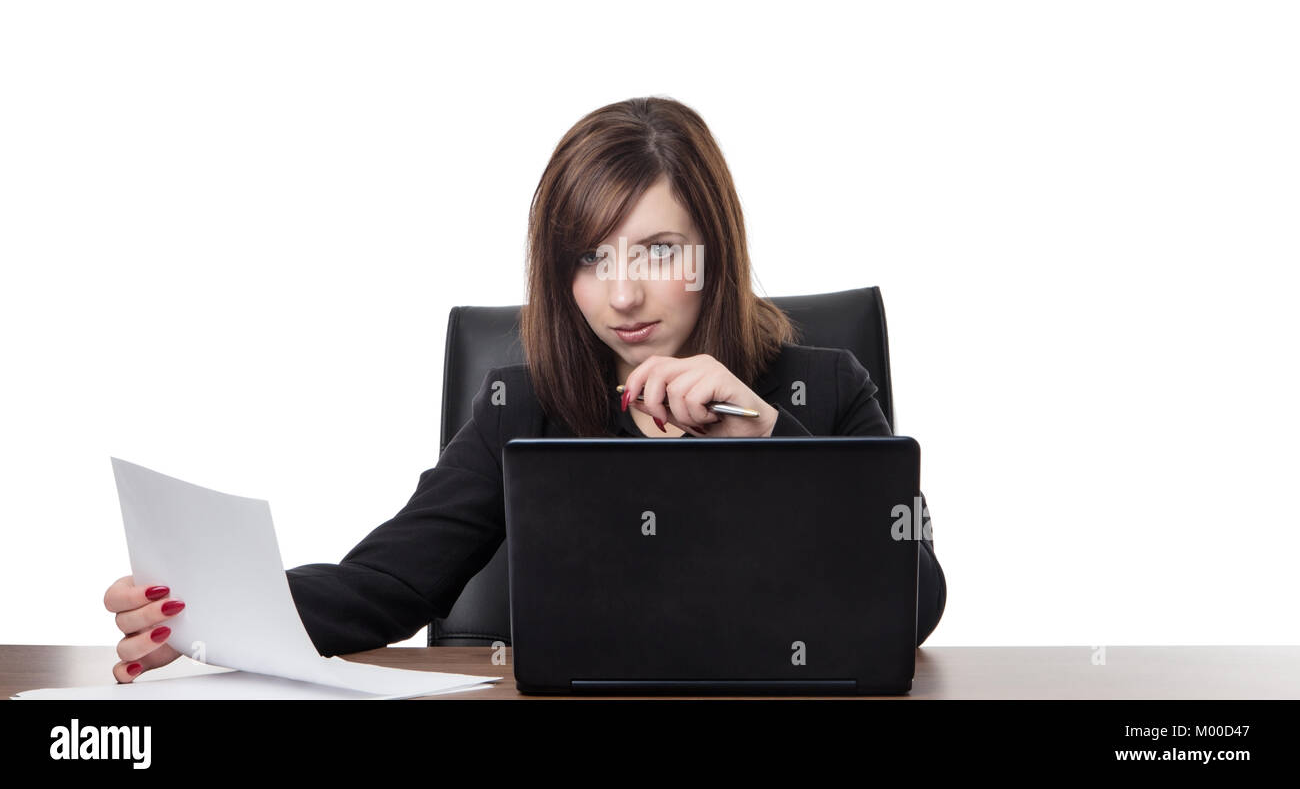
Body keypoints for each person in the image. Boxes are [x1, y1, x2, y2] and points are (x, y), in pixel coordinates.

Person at [103, 96, 948, 681]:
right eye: (590, 258)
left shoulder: (822, 387)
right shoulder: (526, 402)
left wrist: (771, 445)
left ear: (712, 256)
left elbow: (917, 602)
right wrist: (211, 609)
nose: (621, 296)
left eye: (656, 252)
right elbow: (388, 585)